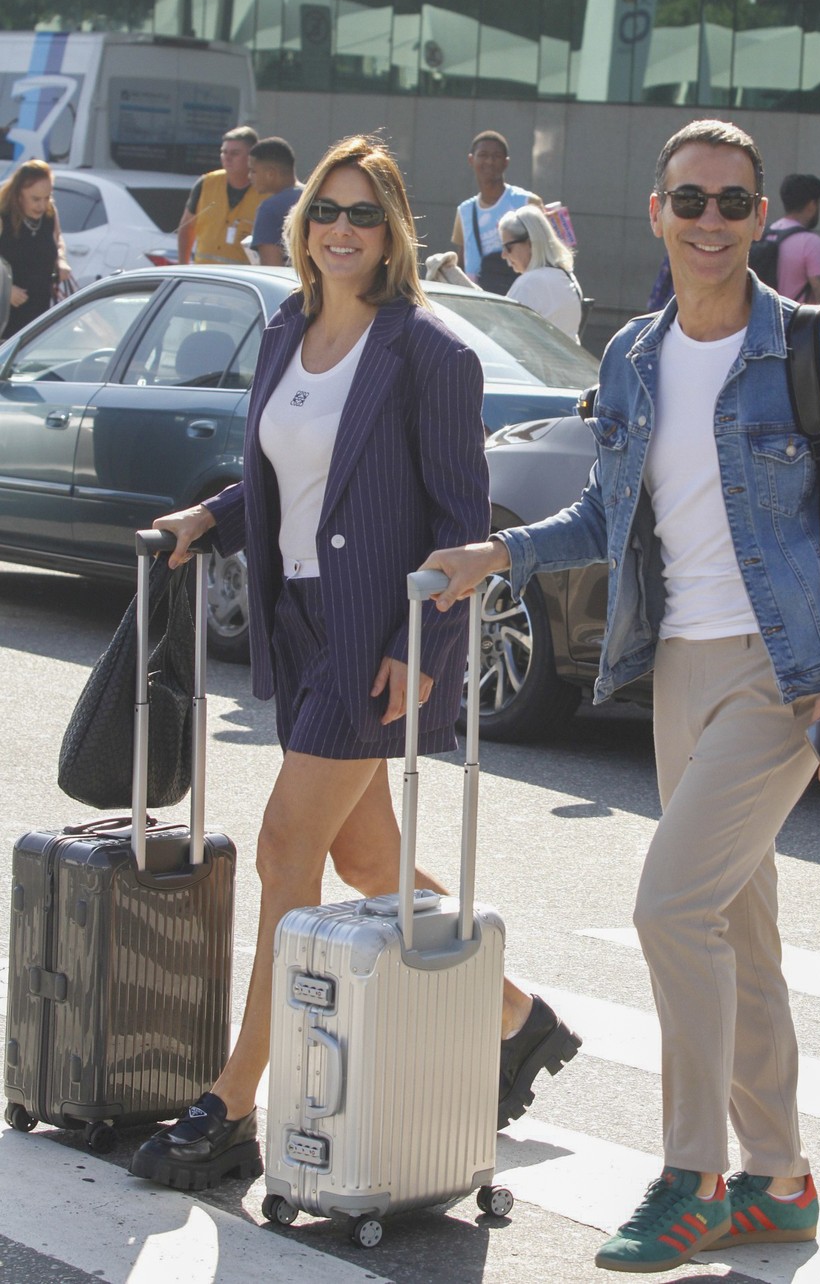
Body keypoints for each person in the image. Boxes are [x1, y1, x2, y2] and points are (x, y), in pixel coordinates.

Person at [420, 119, 820, 1273]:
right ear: (656, 213)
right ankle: (781, 1182)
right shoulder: (634, 356)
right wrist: (497, 554)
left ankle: (691, 1175)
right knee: (736, 930)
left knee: (669, 910)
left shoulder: (814, 349)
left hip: (785, 671)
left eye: (733, 202)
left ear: (760, 218)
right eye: (690, 200)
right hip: (677, 669)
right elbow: (607, 515)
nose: (711, 221)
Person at [130, 133, 578, 1191]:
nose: (341, 229)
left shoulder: (430, 352)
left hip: (375, 637)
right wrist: (211, 515)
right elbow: (290, 478)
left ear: (394, 232)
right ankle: (515, 1018)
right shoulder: (288, 329)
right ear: (304, 224)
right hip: (297, 623)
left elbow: (462, 524)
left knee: (286, 850)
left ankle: (233, 1101)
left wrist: (424, 649)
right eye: (326, 211)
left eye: (364, 214)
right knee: (372, 866)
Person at [451, 130, 541, 294]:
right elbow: (462, 259)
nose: (489, 161)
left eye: (496, 156)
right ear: (471, 159)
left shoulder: (528, 202)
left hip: (522, 294)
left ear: (506, 162)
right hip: (479, 298)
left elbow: (548, 249)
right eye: (483, 155)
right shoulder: (465, 211)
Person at [0, 159, 73, 339]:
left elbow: (57, 239)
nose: (42, 205)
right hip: (5, 315)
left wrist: (61, 260)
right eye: (35, 199)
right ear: (19, 194)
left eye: (47, 197)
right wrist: (5, 289)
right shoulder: (4, 215)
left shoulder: (49, 213)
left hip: (38, 312)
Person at [496, 204, 582, 340]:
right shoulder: (567, 276)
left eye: (508, 247)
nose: (503, 255)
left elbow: (503, 333)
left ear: (530, 243)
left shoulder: (529, 282)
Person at [177, 126, 260, 265]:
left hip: (241, 276)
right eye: (224, 152)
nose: (227, 158)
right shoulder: (206, 183)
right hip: (204, 272)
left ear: (252, 157)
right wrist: (183, 265)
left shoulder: (265, 191)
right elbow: (186, 227)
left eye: (235, 153)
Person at [772, 172, 820, 303]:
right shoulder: (810, 243)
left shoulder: (767, 234)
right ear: (812, 205)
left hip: (763, 314)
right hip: (795, 315)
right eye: (819, 203)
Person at [247, 136, 302, 264]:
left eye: (253, 171)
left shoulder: (269, 209)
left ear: (270, 174)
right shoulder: (315, 196)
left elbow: (271, 267)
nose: (249, 176)